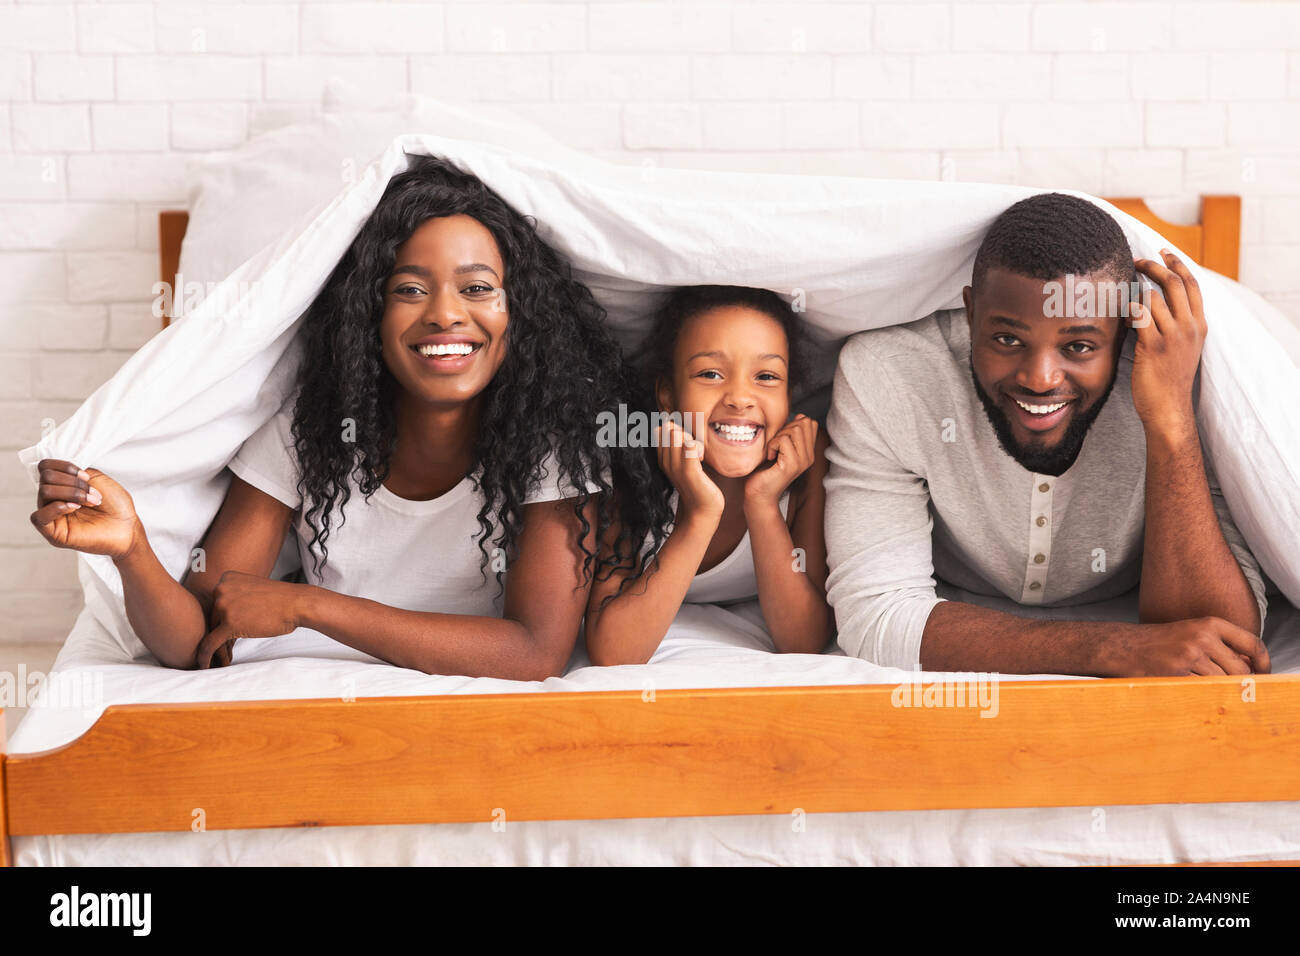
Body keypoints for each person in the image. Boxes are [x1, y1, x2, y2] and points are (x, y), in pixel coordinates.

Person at [31, 156, 663, 680]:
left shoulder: (552, 448)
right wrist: (132, 548)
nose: (445, 314)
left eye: (476, 289)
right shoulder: (310, 435)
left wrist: (308, 605)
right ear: (371, 318)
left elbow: (535, 653)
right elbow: (193, 640)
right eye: (410, 290)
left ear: (516, 314)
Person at [825, 192, 1269, 677]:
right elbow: (877, 619)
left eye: (1078, 345)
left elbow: (1222, 641)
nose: (1040, 378)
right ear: (971, 314)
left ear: (1122, 331)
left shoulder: (1181, 370)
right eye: (1008, 339)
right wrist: (1116, 649)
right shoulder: (892, 373)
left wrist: (1170, 421)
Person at [584, 286, 833, 665]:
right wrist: (700, 515)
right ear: (668, 396)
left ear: (789, 396)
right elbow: (614, 653)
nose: (739, 398)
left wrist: (763, 504)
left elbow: (804, 642)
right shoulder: (632, 460)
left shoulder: (805, 460)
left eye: (766, 376)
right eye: (711, 373)